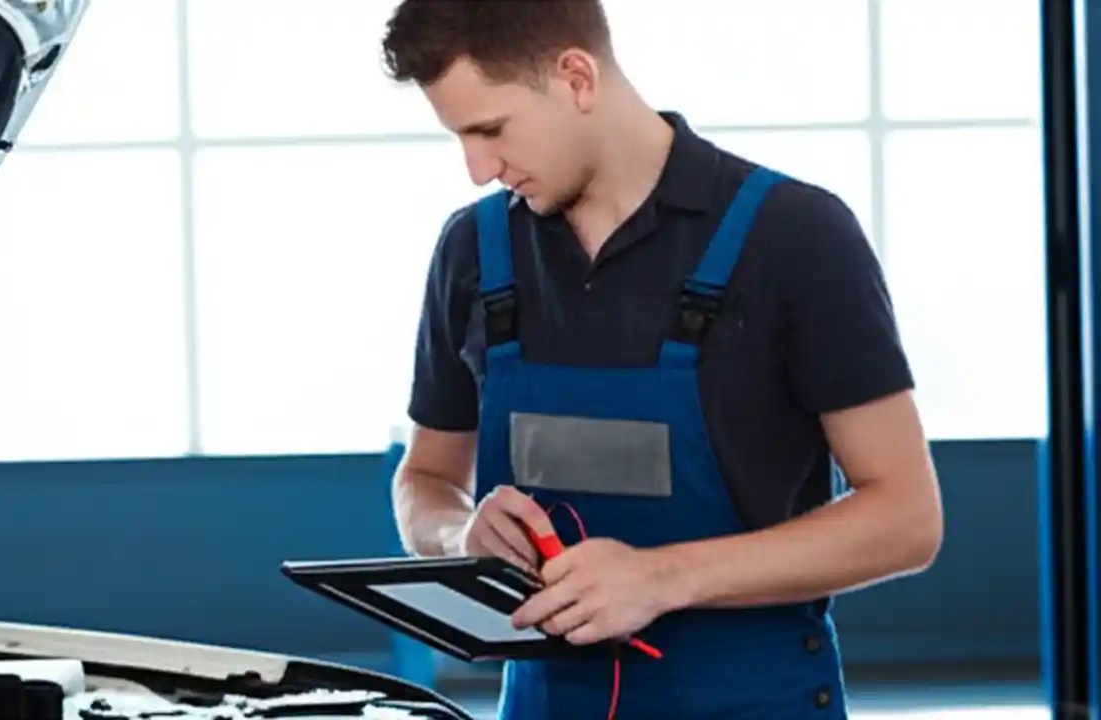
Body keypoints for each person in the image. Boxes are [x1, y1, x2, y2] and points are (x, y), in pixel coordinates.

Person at [379, 1, 944, 718]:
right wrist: (458, 533)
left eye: (490, 130)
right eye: (460, 138)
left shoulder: (797, 236)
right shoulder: (473, 251)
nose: (478, 169)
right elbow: (425, 478)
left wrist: (661, 578)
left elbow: (906, 518)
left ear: (576, 77)